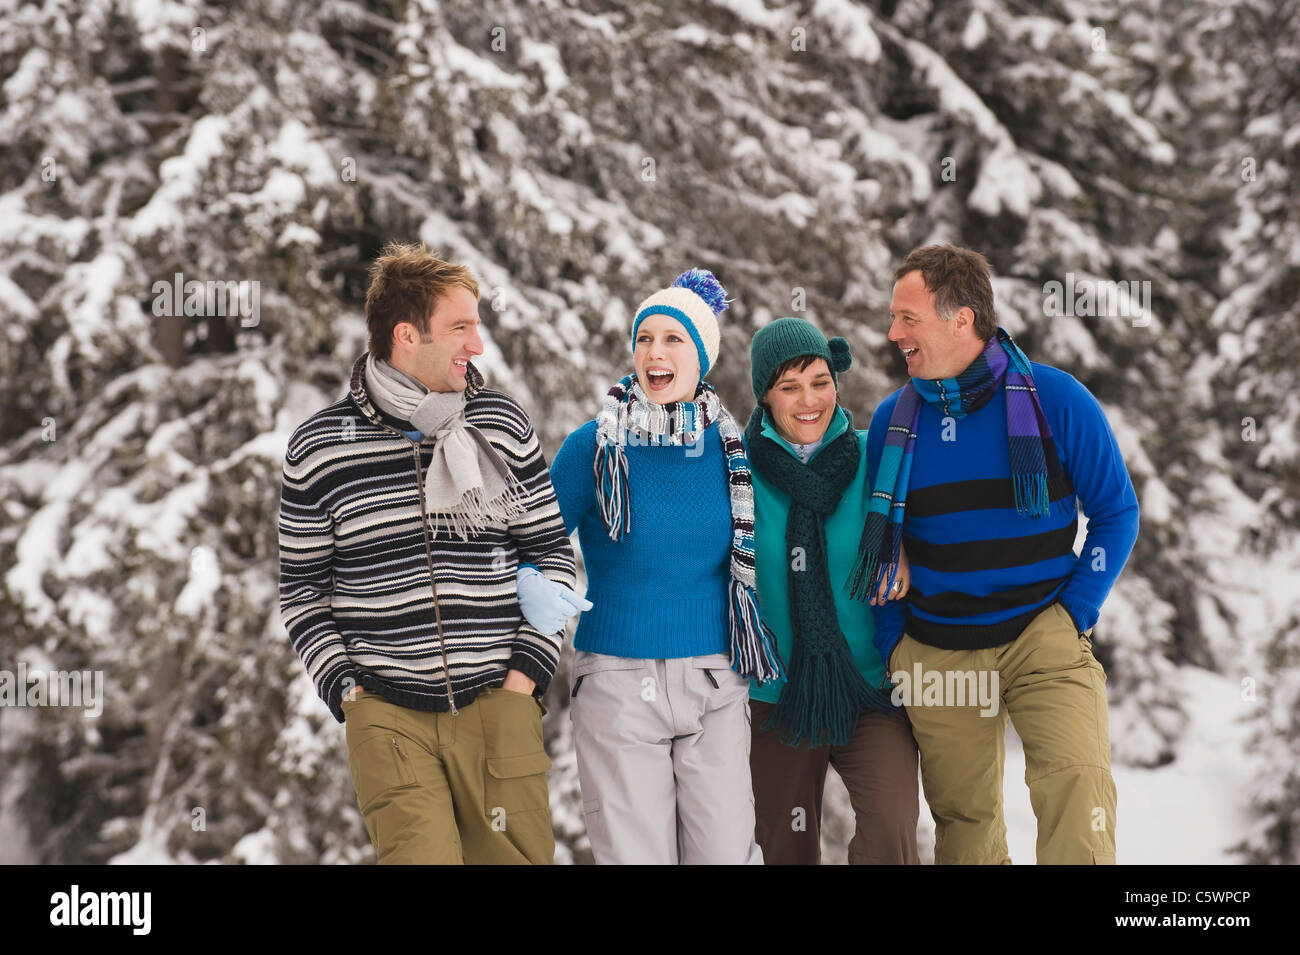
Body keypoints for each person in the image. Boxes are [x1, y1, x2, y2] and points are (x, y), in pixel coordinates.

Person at [278, 241, 580, 864]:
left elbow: (552, 556)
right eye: (461, 328)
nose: (477, 345)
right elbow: (303, 591)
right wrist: (348, 691)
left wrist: (524, 676)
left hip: (499, 703)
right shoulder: (321, 448)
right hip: (388, 718)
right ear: (407, 336)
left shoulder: (498, 425)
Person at [858, 244, 1139, 864]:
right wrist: (892, 644)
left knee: (1077, 786)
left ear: (961, 318)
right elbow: (880, 546)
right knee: (966, 824)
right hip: (936, 646)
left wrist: (1075, 611)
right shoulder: (891, 424)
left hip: (1043, 629)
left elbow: (1116, 512)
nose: (892, 332)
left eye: (907, 317)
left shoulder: (1055, 400)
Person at [547, 269, 775, 864]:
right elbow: (536, 539)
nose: (655, 352)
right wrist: (534, 583)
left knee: (727, 854)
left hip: (715, 680)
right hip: (619, 681)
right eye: (645, 338)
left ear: (700, 356)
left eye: (674, 339)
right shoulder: (593, 448)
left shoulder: (734, 455)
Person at [744, 317, 920, 865]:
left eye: (820, 381)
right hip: (776, 696)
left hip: (871, 690)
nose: (808, 400)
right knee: (782, 847)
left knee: (891, 831)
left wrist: (903, 547)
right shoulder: (738, 470)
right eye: (789, 386)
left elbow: (928, 522)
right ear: (765, 396)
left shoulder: (874, 459)